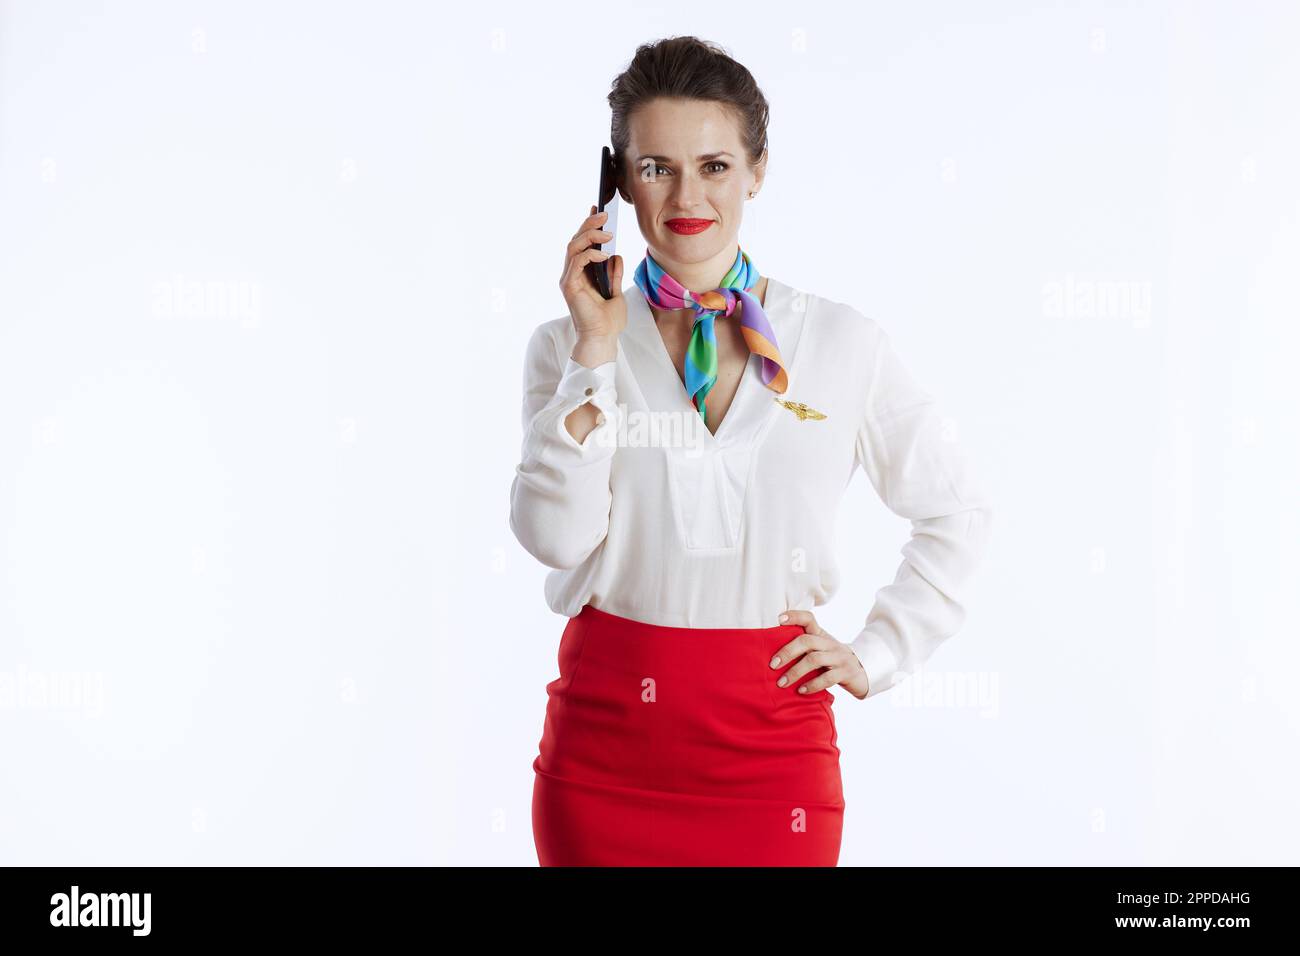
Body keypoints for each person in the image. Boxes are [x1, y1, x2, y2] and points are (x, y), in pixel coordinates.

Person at [509, 36, 994, 866]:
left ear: (758, 170)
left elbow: (957, 512)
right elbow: (555, 538)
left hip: (773, 765)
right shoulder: (569, 347)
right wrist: (596, 352)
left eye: (716, 166)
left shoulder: (844, 343)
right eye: (656, 167)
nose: (687, 196)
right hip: (604, 759)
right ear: (619, 182)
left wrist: (875, 652)